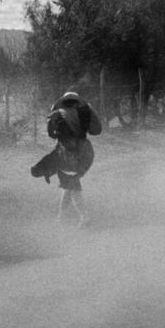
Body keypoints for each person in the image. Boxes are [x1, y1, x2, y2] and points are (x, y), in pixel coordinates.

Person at [38, 89, 102, 227]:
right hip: (85, 150)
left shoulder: (57, 111)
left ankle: (84, 217)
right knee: (68, 183)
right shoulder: (87, 109)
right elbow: (97, 130)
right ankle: (61, 217)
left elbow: (51, 134)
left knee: (71, 184)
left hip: (67, 152)